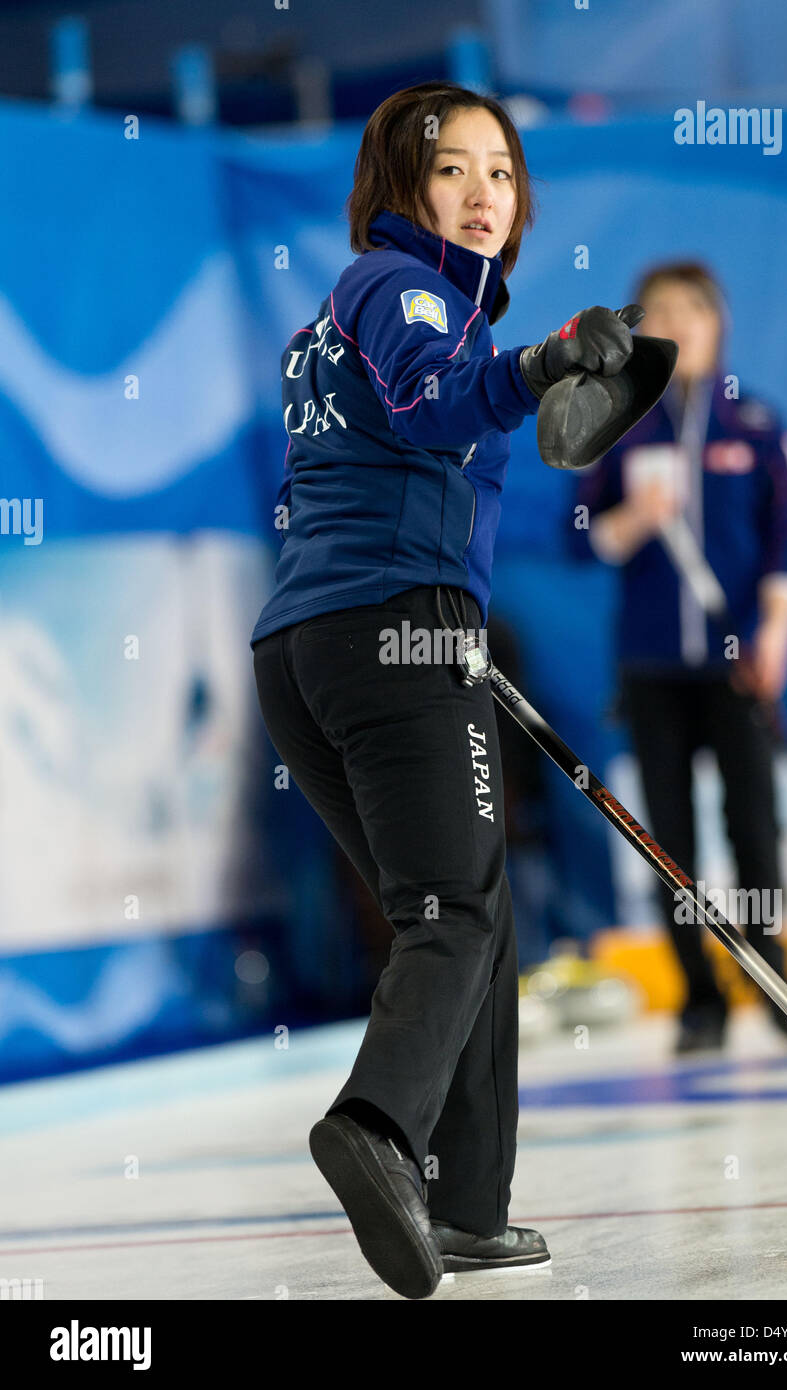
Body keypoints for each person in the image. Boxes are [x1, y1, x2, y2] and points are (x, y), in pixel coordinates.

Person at [250, 80, 640, 1299]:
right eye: (453, 170)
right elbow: (429, 405)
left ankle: (469, 1204)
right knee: (456, 916)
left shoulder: (335, 318)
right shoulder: (399, 288)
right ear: (402, 188)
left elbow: (356, 469)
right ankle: (375, 1128)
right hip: (393, 635)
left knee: (466, 912)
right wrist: (540, 363)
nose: (482, 194)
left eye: (502, 172)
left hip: (314, 645)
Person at [570, 262, 787, 1056]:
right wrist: (636, 518)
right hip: (650, 671)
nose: (677, 323)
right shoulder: (619, 424)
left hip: (735, 666)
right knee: (665, 839)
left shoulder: (759, 426)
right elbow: (579, 539)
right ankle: (698, 996)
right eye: (662, 311)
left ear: (718, 324)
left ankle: (773, 979)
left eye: (693, 310)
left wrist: (773, 636)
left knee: (755, 831)